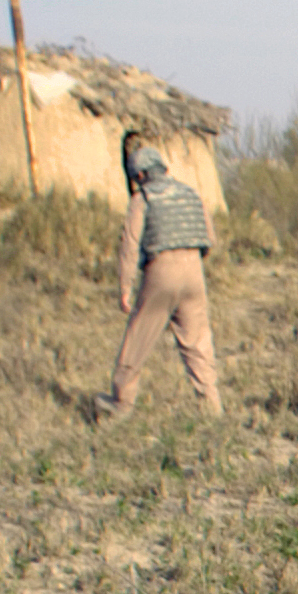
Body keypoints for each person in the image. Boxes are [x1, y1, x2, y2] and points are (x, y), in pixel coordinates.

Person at [97, 138, 223, 421]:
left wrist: (125, 288)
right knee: (199, 344)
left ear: (140, 175)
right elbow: (210, 239)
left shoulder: (143, 199)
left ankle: (120, 405)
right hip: (194, 273)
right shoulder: (191, 193)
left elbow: (130, 245)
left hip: (161, 272)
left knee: (138, 340)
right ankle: (212, 407)